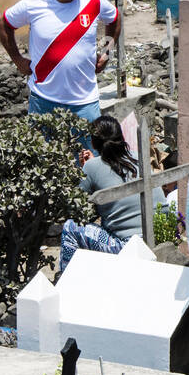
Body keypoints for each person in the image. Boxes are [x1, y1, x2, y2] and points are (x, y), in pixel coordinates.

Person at [0, 0, 123, 152]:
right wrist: (18, 60)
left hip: (84, 103)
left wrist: (107, 53)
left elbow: (114, 19)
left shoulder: (94, 2)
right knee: (41, 162)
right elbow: (4, 24)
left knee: (87, 163)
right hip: (43, 102)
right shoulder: (34, 5)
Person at [59, 115, 143, 272]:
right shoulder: (138, 157)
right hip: (155, 235)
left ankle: (67, 280)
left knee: (70, 228)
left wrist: (87, 168)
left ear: (93, 142)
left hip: (125, 245)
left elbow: (76, 207)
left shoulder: (91, 166)